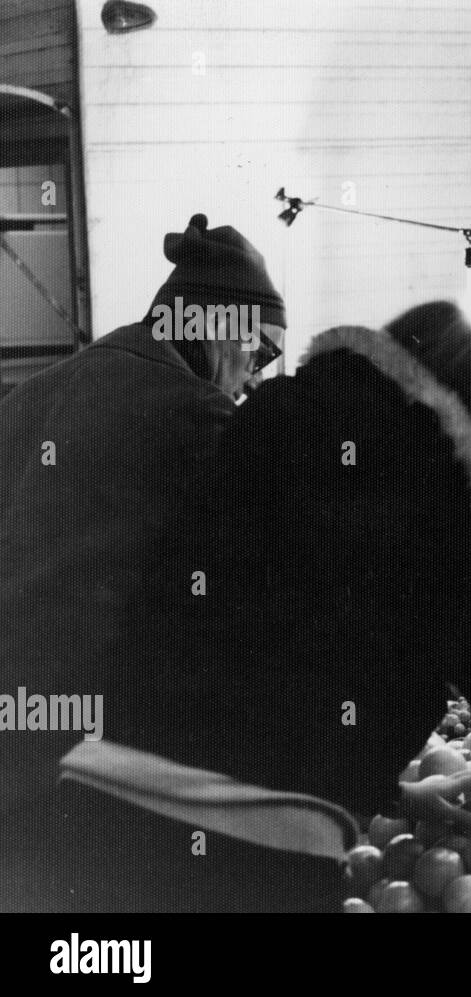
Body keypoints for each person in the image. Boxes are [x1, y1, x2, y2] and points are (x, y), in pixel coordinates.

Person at [67, 302, 471, 913]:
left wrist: (391, 792)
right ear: (462, 424)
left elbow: (277, 661)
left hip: (100, 803)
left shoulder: (271, 419)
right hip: (240, 847)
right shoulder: (414, 467)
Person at [0, 213, 286, 910]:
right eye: (264, 350)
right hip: (84, 781)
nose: (257, 375)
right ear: (222, 324)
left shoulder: (37, 393)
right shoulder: (196, 418)